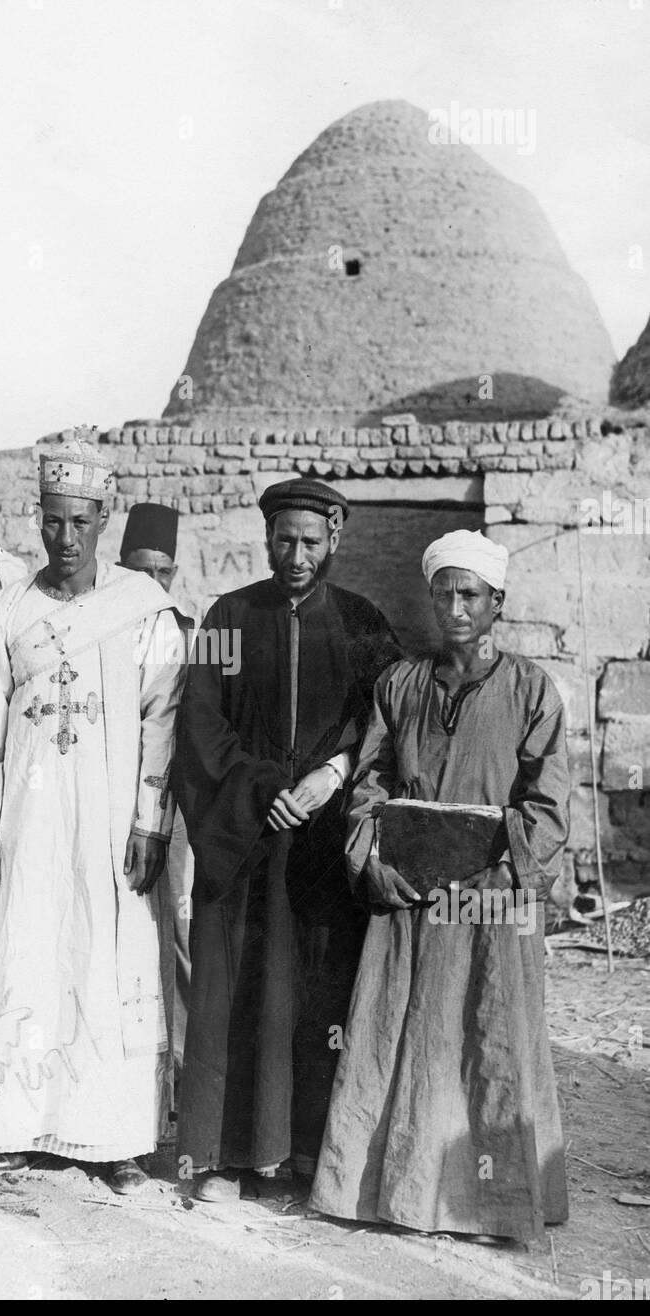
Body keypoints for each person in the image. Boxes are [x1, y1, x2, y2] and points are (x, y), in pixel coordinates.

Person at [310, 529, 570, 1244]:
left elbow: (547, 806)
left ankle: (490, 1203)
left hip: (490, 899)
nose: (455, 607)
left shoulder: (530, 690)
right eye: (443, 593)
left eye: (470, 595)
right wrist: (378, 856)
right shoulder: (399, 685)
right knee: (409, 1039)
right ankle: (394, 1190)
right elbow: (369, 783)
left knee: (487, 1040)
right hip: (411, 896)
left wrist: (490, 863)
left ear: (496, 604)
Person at [0, 438, 184, 1194]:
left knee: (106, 956)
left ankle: (112, 1137)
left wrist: (150, 822)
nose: (66, 538)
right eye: (53, 521)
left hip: (113, 820)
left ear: (103, 516)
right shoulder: (6, 609)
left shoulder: (142, 607)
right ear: (38, 518)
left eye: (80, 520)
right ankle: (10, 1127)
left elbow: (163, 720)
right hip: (27, 821)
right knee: (27, 952)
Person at [172, 477, 402, 1202]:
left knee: (313, 996)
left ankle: (302, 1160)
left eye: (309, 541)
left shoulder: (365, 623)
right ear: (265, 537)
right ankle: (222, 1157)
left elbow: (382, 721)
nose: (295, 556)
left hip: (321, 846)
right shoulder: (228, 615)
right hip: (246, 834)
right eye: (282, 540)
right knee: (234, 991)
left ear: (334, 538)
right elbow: (200, 722)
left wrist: (334, 773)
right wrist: (264, 787)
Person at [119, 503, 194, 1079]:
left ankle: (183, 1078)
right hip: (105, 799)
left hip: (173, 807)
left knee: (178, 931)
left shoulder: (190, 633)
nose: (151, 583)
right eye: (140, 570)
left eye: (162, 572)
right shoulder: (98, 625)